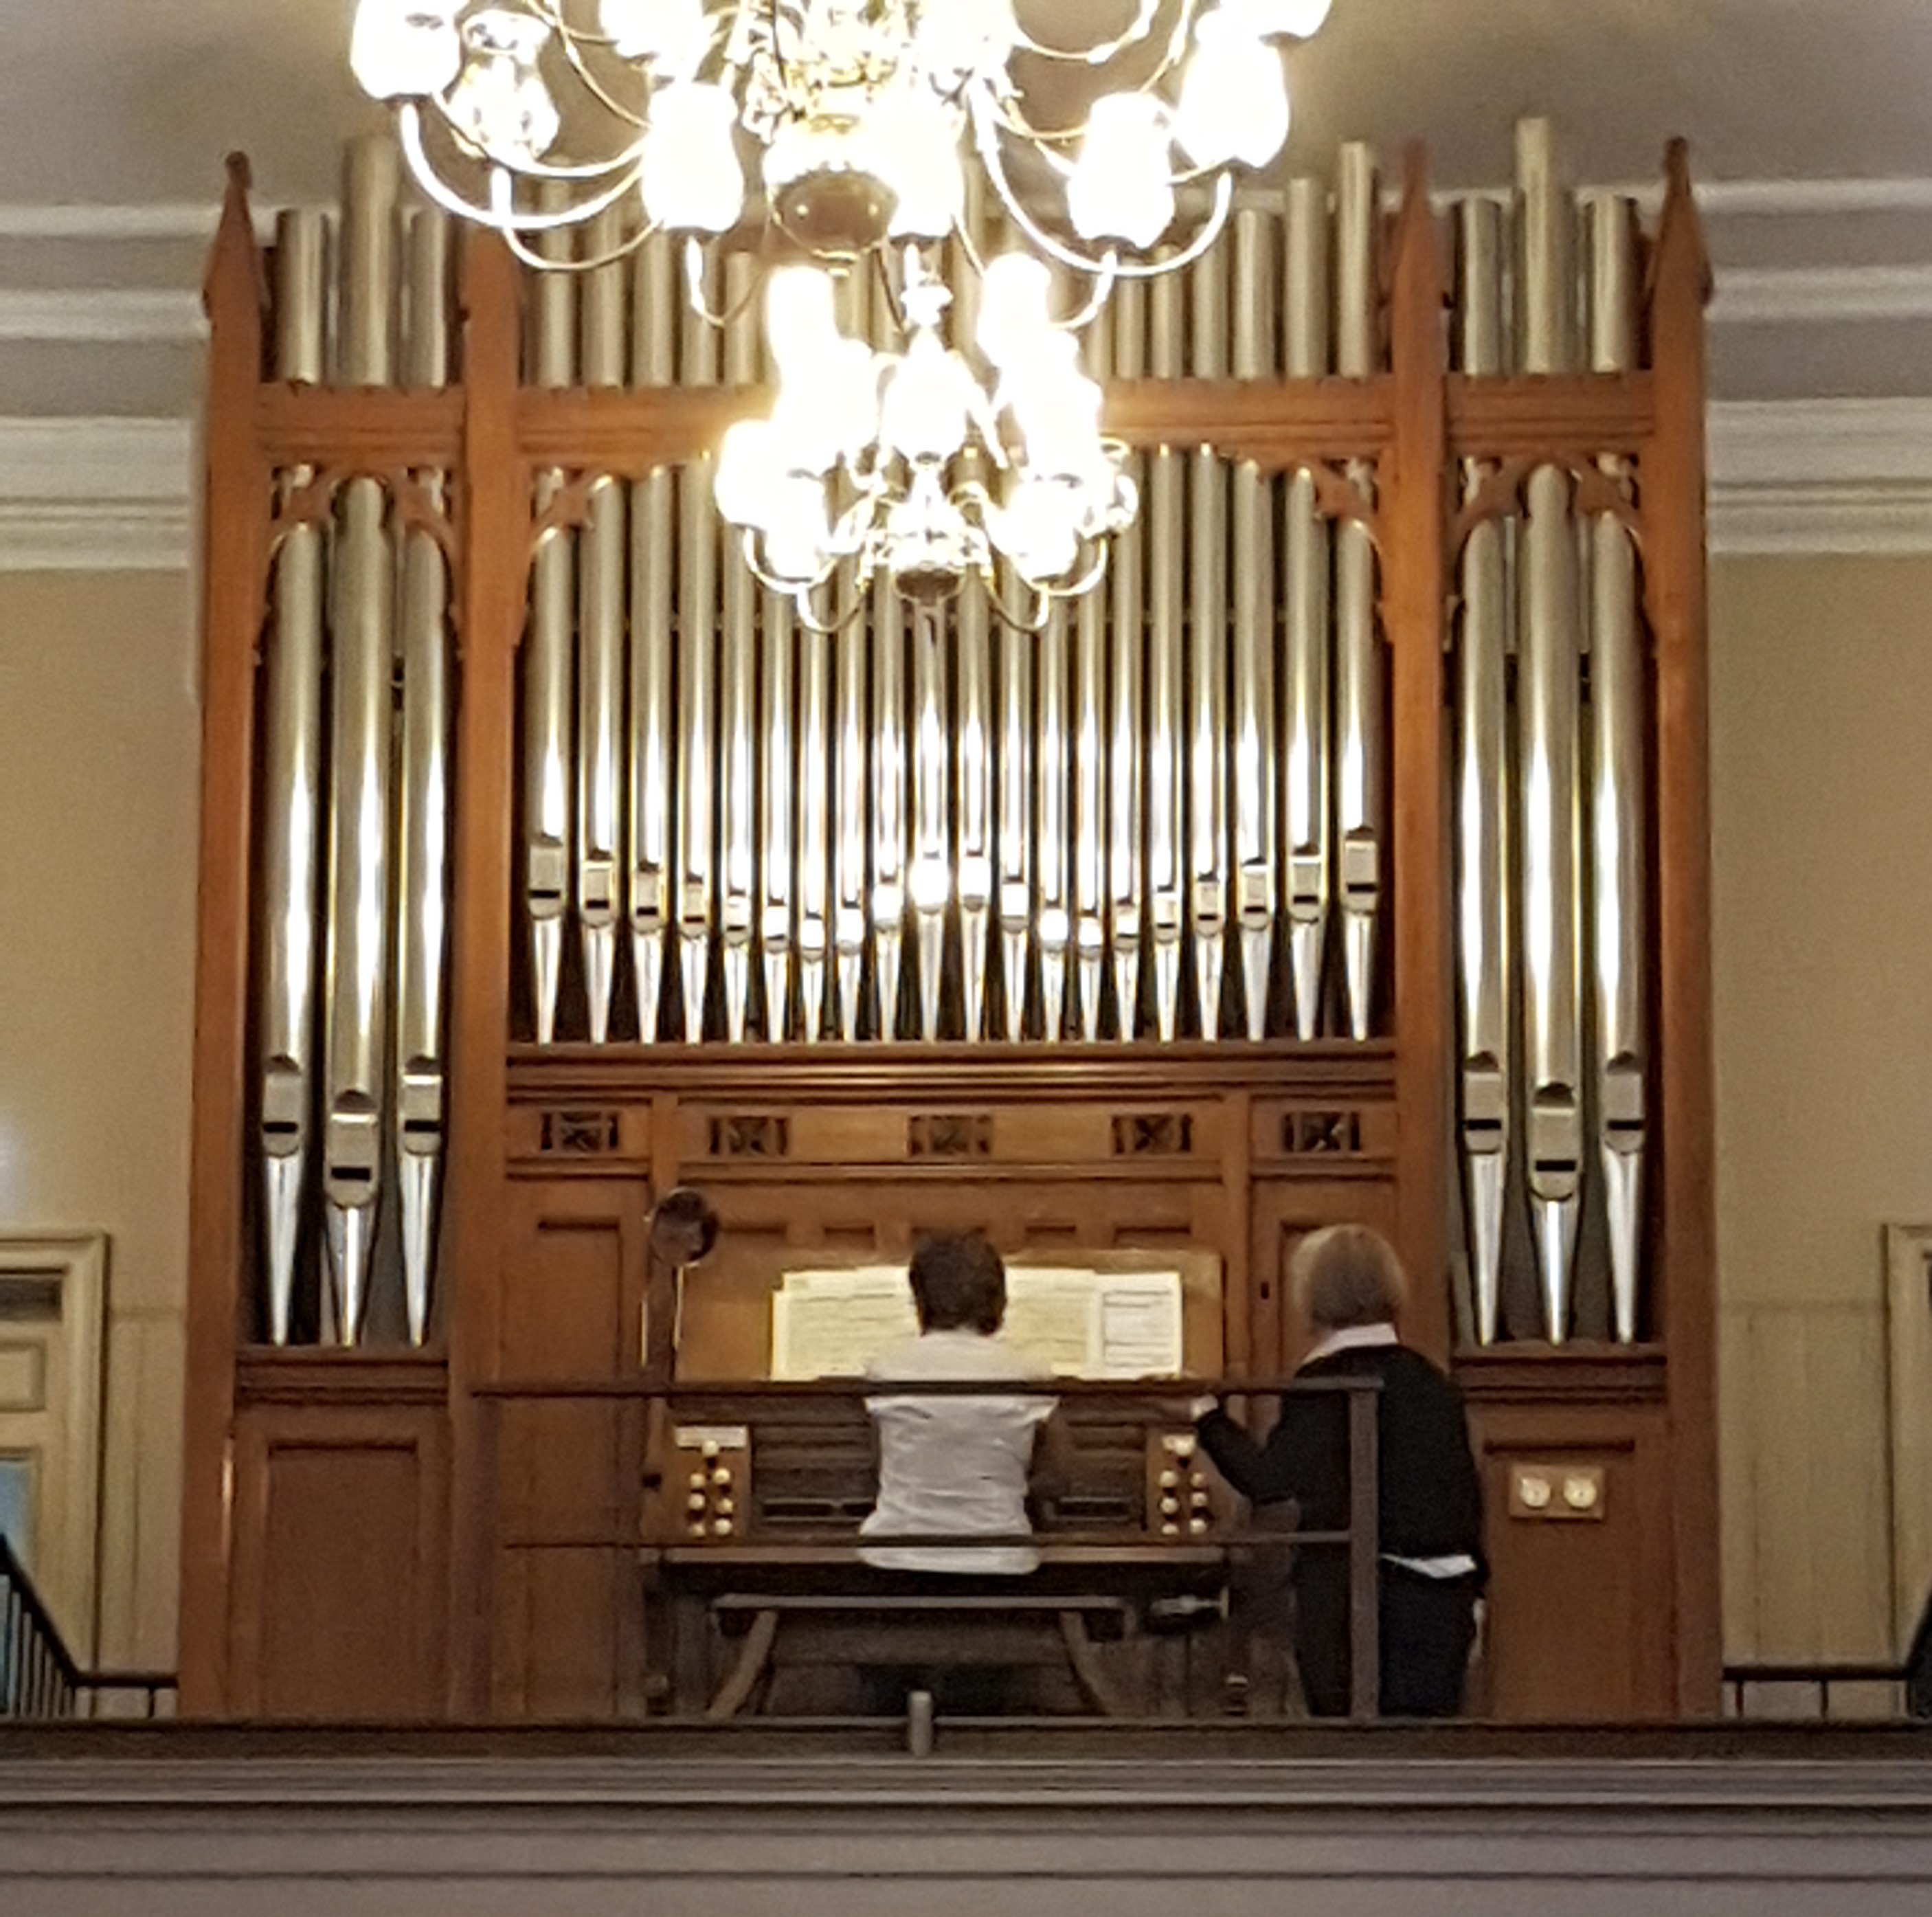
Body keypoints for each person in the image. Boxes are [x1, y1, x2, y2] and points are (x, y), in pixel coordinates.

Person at [1193, 1224, 1486, 1718]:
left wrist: (1205, 1414)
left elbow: (1269, 1480)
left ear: (1312, 1296)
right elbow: (1464, 1497)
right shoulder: (1433, 1381)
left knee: (1355, 1755)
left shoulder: (1326, 1383)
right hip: (1445, 1606)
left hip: (1363, 1615)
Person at [860, 1232, 1064, 1575]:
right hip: (1001, 1562)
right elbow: (1060, 1479)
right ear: (998, 1300)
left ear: (919, 1300)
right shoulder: (1029, 1373)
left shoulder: (886, 1368)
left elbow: (880, 1464)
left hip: (896, 1560)